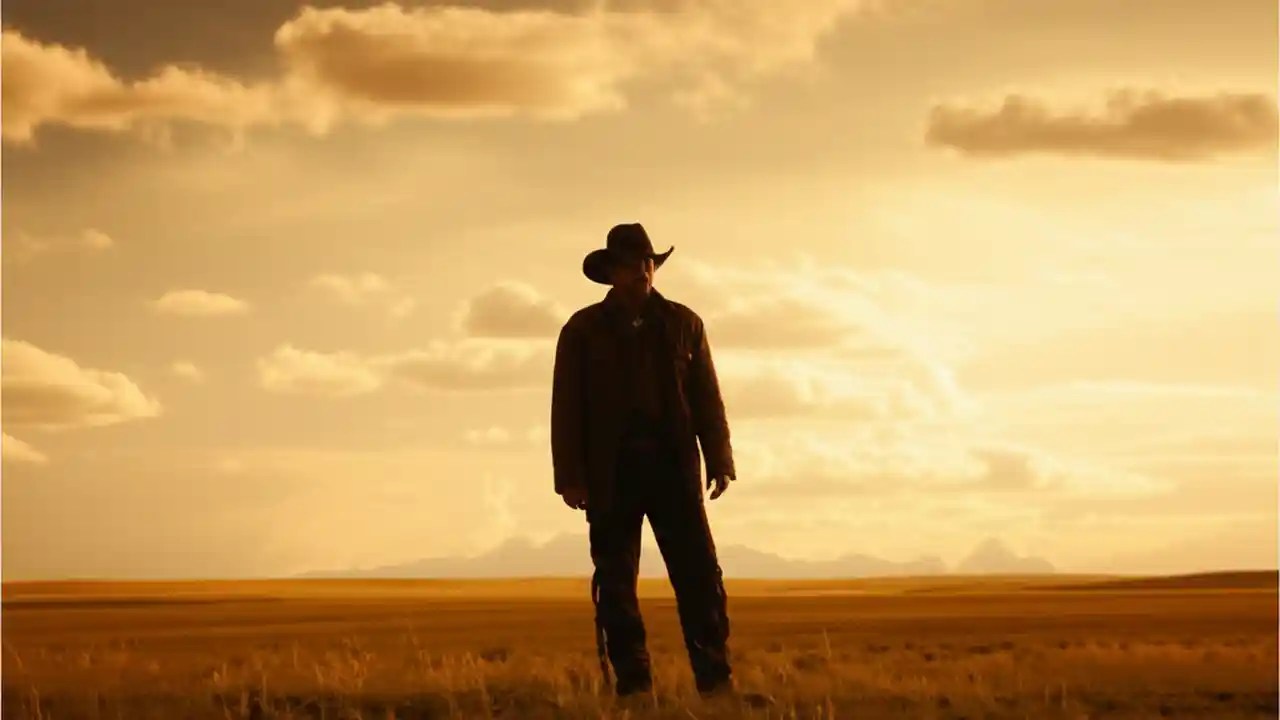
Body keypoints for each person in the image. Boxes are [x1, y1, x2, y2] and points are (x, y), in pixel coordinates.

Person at [550, 222, 736, 698]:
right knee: (616, 584)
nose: (642, 271)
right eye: (632, 264)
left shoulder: (684, 323)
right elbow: (566, 407)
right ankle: (634, 687)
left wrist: (719, 458)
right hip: (610, 473)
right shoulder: (583, 329)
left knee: (699, 575)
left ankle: (715, 681)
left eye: (648, 262)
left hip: (674, 469)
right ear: (612, 272)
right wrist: (571, 478)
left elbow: (707, 397)